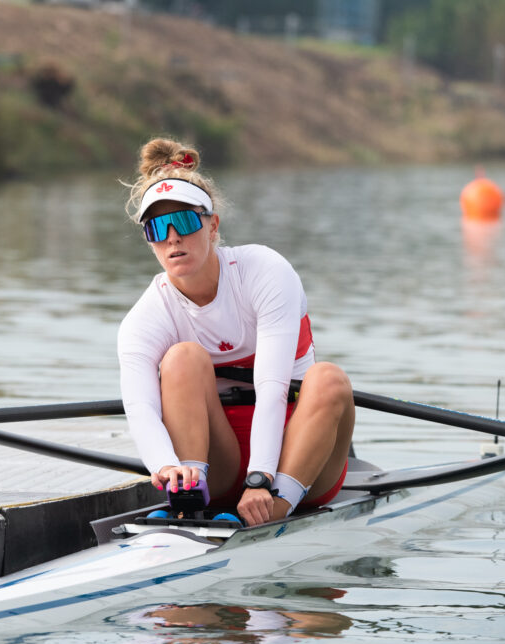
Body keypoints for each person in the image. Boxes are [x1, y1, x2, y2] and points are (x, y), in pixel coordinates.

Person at [117, 138, 354, 526]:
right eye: (157, 228)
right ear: (150, 240)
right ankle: (189, 495)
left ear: (212, 226)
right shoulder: (146, 316)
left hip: (301, 459)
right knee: (182, 358)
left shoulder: (264, 272)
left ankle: (273, 509)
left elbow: (272, 388)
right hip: (220, 464)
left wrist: (261, 479)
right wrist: (163, 464)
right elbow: (140, 406)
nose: (173, 237)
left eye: (186, 221)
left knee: (329, 379)